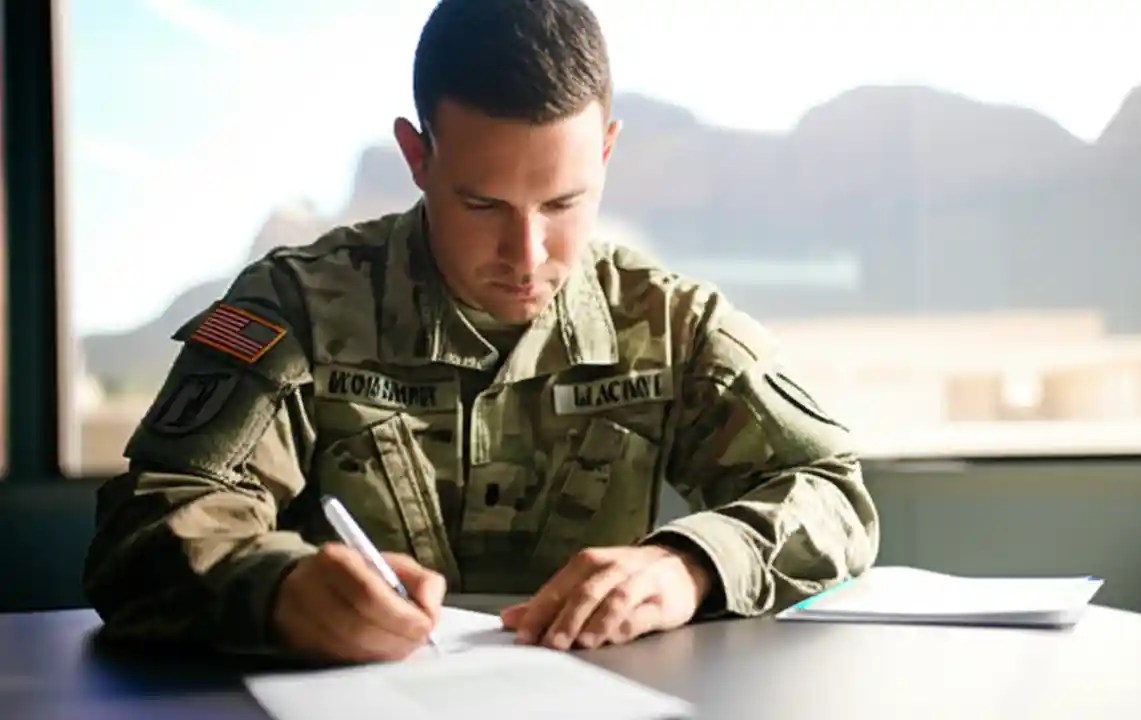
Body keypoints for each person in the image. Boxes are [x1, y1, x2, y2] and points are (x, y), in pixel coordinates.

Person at [83, 0, 879, 663]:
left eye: (563, 204)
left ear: (606, 151)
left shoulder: (667, 321)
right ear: (415, 156)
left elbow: (833, 494)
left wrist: (690, 567)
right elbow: (150, 522)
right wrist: (278, 590)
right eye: (482, 205)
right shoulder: (297, 308)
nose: (526, 256)